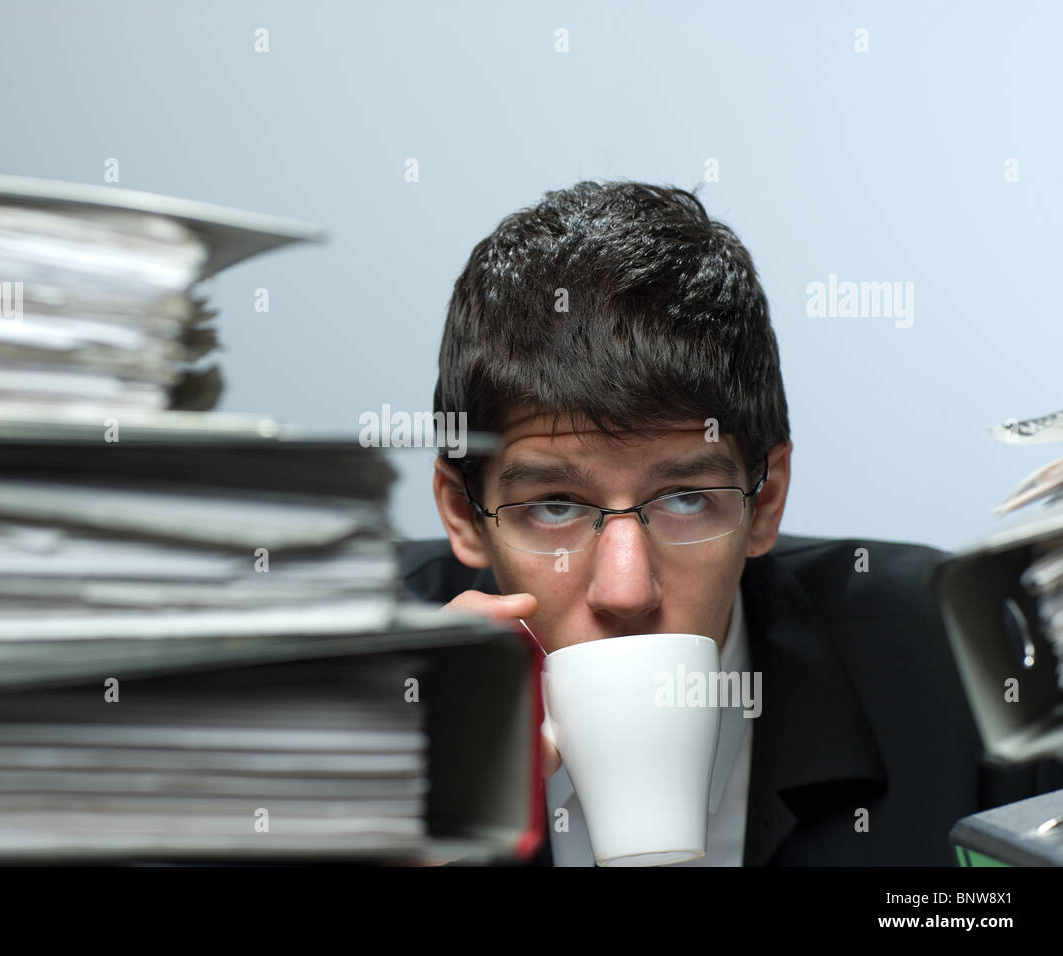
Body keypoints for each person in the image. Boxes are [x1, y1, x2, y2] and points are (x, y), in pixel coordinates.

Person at [396, 181, 1063, 866]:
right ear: (462, 512)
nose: (626, 591)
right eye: (555, 507)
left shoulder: (966, 663)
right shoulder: (338, 695)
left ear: (764, 501)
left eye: (685, 498)